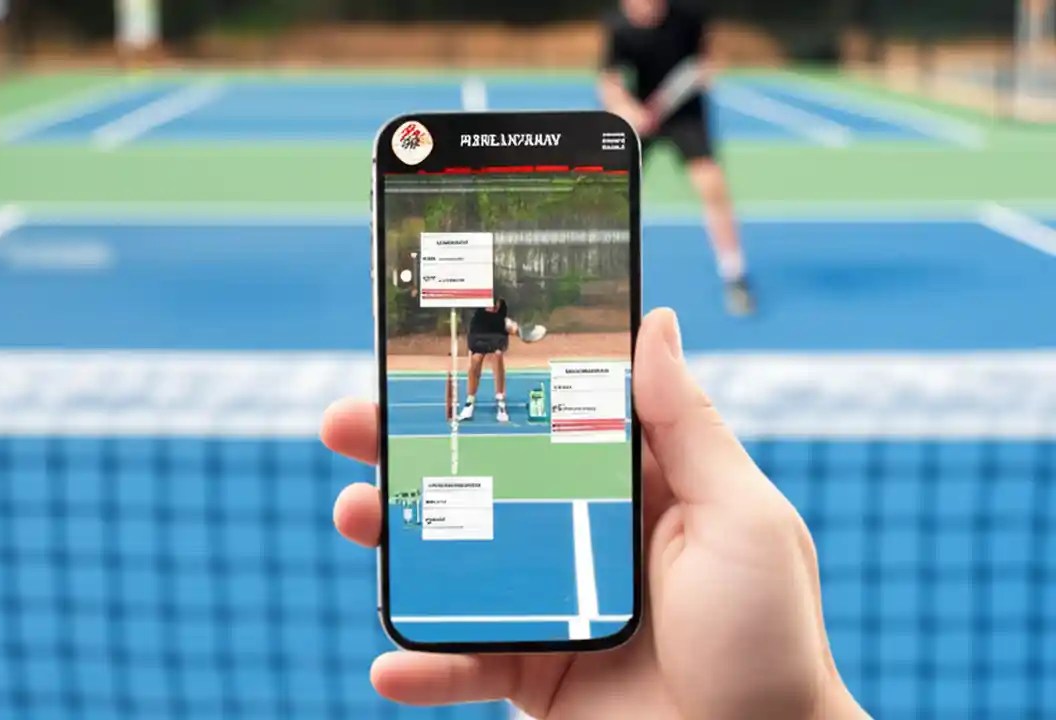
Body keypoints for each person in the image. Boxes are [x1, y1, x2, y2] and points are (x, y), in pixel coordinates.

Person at [321, 308, 870, 718]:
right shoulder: (469, 310)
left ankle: (500, 404)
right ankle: (473, 402)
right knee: (477, 367)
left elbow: (511, 322)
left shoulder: (495, 303)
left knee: (495, 372)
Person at [598, 0, 756, 317]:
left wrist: (706, 72)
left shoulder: (689, 15)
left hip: (686, 117)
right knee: (612, 194)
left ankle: (734, 274)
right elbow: (609, 83)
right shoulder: (618, 26)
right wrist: (629, 111)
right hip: (641, 114)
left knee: (712, 186)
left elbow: (708, 60)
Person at [457, 298, 523, 424]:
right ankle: (469, 403)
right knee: (476, 359)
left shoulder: (502, 298)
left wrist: (510, 325)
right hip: (479, 329)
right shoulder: (477, 293)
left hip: (497, 330)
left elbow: (503, 315)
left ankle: (501, 402)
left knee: (497, 355)